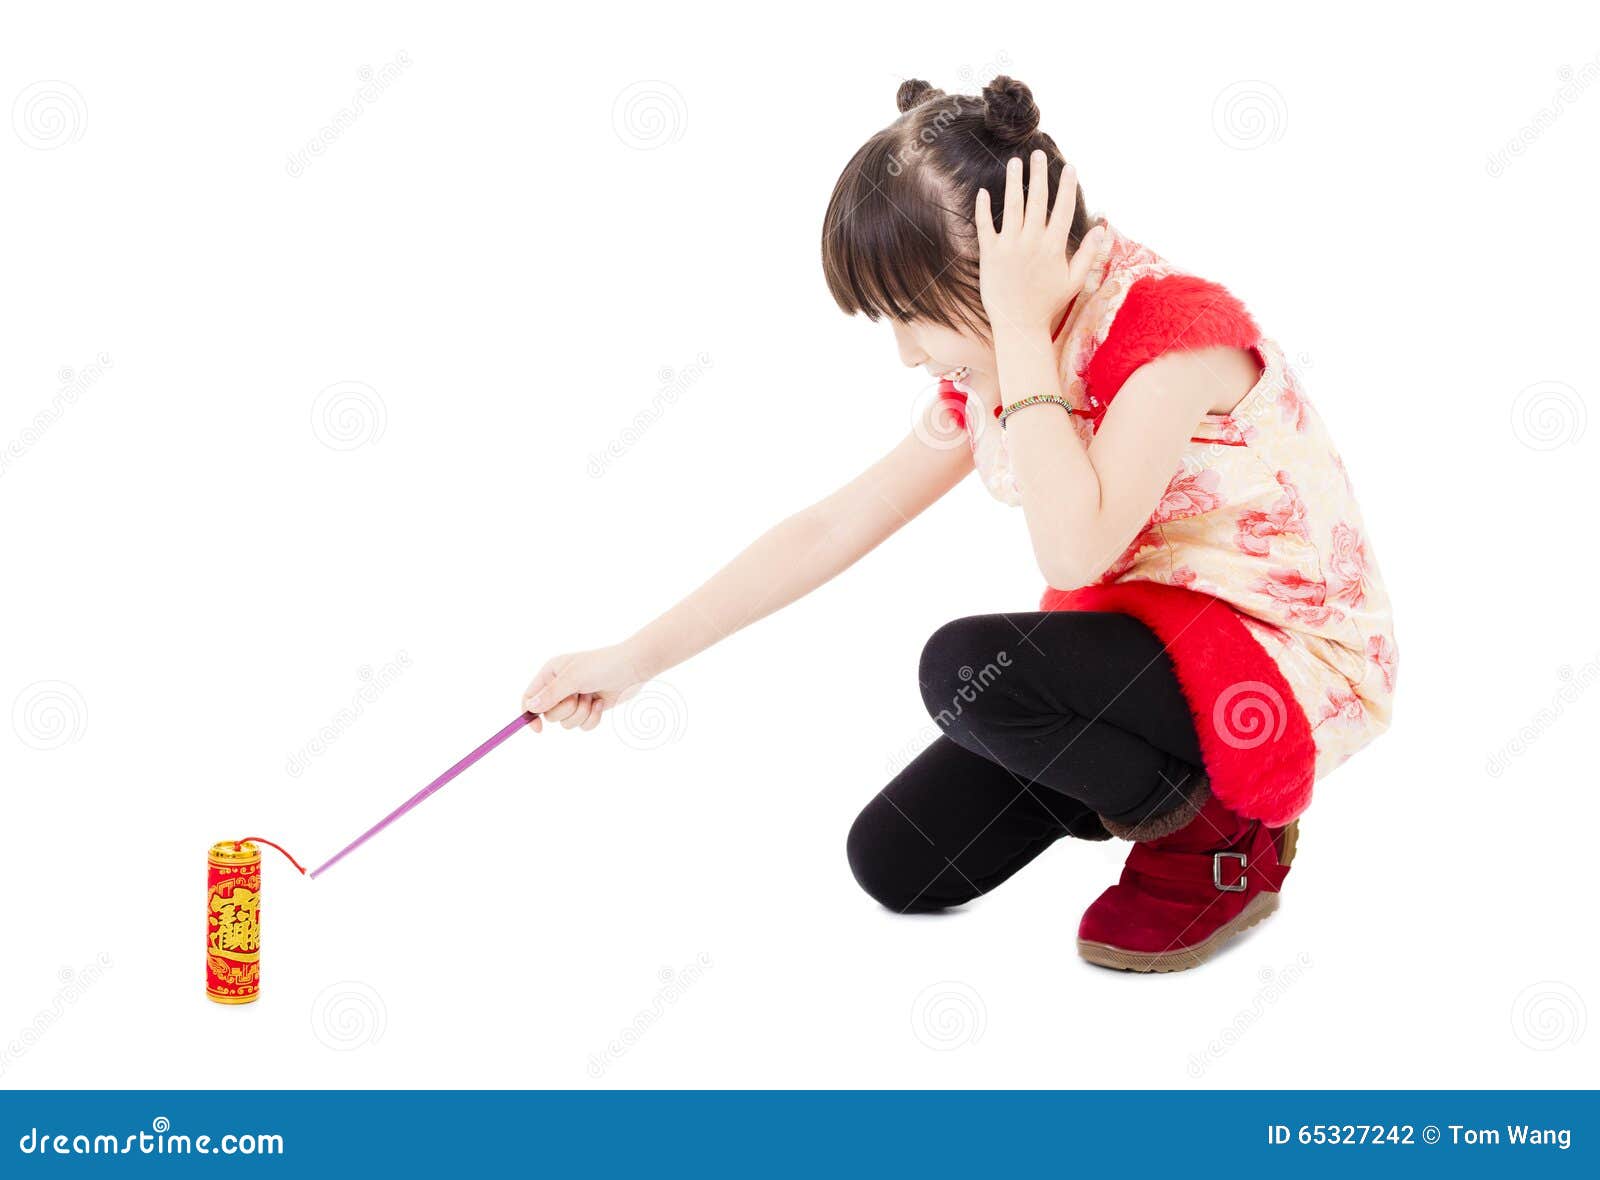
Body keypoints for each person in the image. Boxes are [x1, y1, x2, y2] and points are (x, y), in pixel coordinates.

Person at [521, 76, 1397, 972]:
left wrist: (1017, 330)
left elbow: (1074, 546)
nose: (906, 351)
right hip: (1135, 654)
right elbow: (832, 525)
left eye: (914, 313)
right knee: (897, 860)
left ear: (1012, 267)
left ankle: (1225, 835)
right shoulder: (989, 373)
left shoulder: (1170, 343)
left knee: (964, 669)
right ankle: (1149, 780)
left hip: (1274, 665)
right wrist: (632, 659)